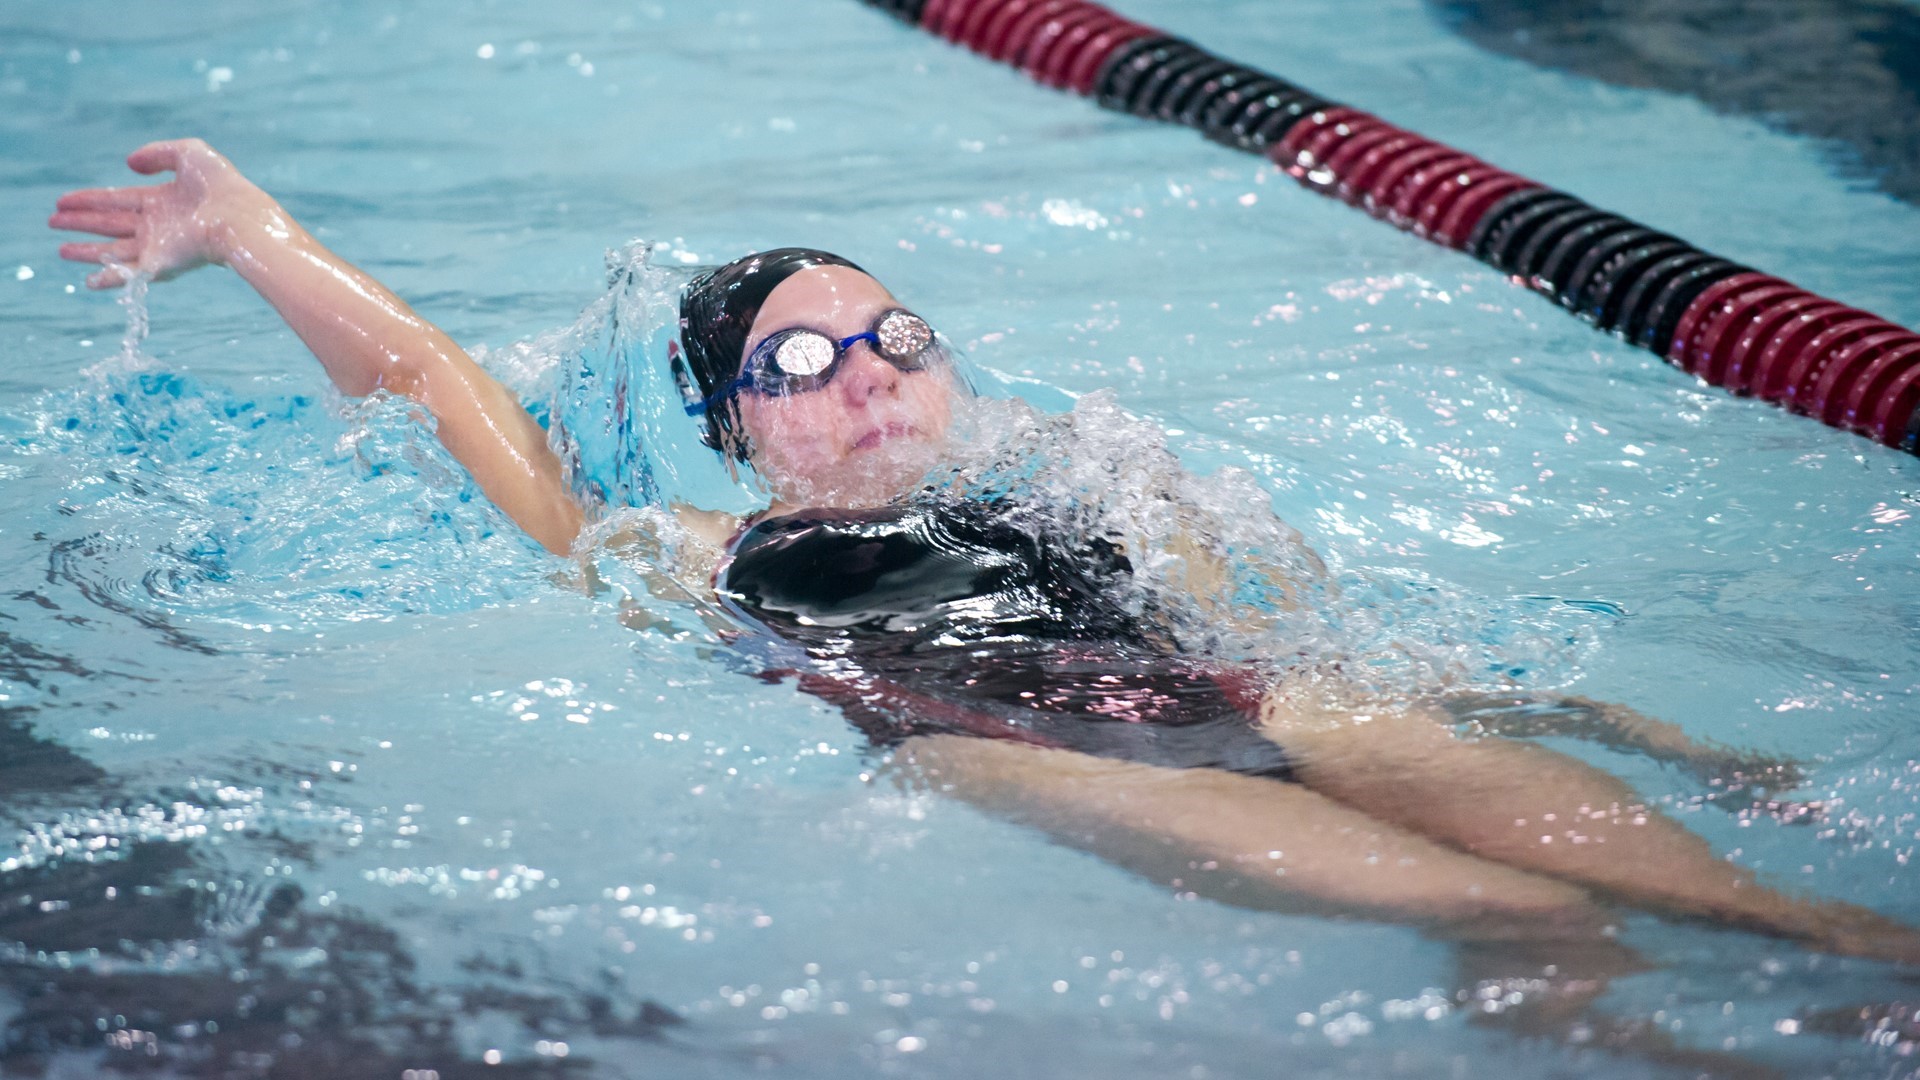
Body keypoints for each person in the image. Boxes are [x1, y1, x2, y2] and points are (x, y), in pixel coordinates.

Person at [49, 140, 1920, 982]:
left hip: (1251, 696)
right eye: (796, 361)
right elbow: (447, 390)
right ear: (732, 425)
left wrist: (1643, 732)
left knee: (1797, 915)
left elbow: (1342, 637)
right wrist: (258, 231)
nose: (860, 380)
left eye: (893, 339)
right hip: (1010, 745)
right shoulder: (689, 545)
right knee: (1534, 918)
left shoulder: (1083, 471)